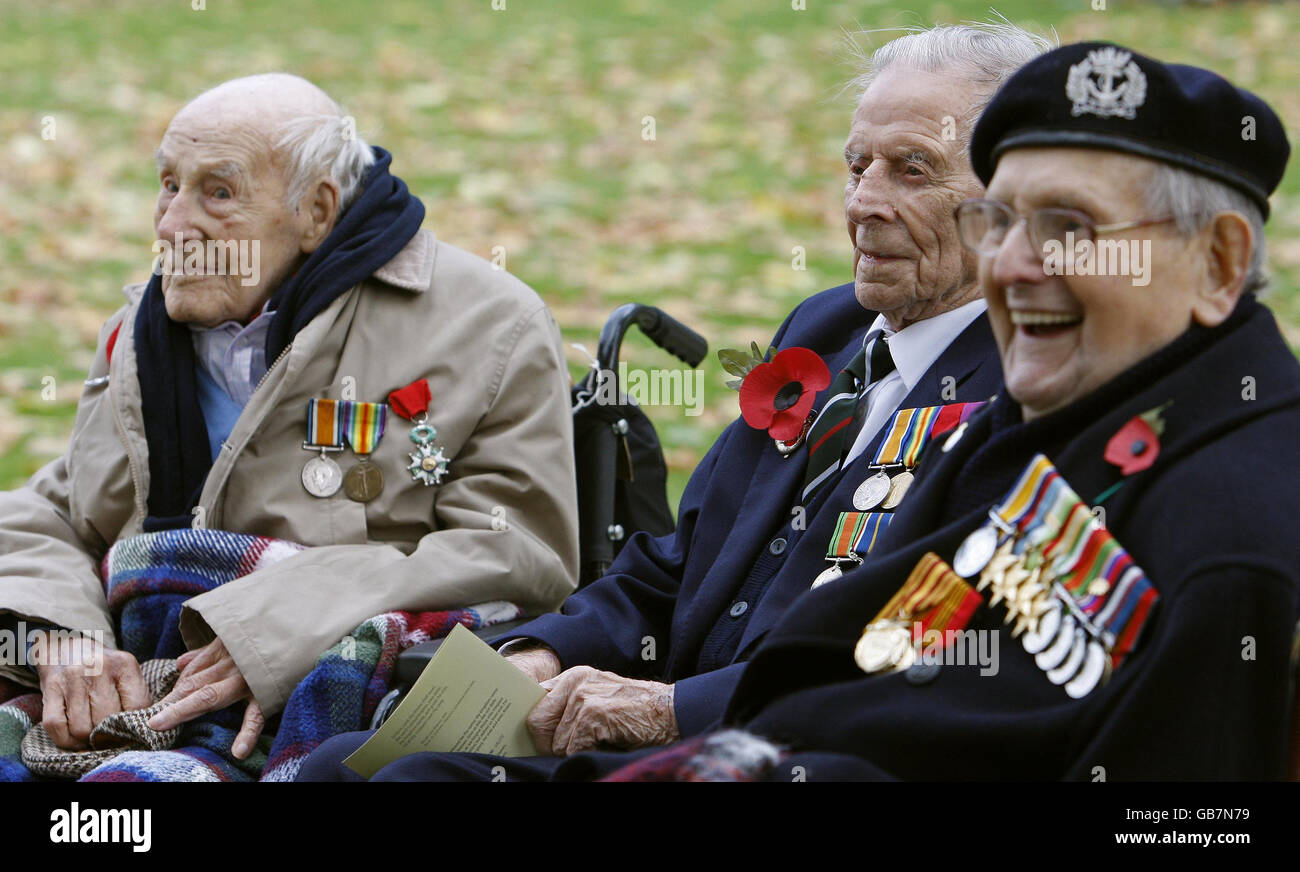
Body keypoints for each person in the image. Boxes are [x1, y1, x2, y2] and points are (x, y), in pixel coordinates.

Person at [298, 20, 1052, 781]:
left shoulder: (1025, 391)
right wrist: (547, 649)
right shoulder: (828, 330)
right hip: (655, 719)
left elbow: (914, 660)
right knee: (339, 767)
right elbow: (677, 563)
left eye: (913, 171)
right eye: (857, 167)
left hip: (789, 756)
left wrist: (669, 710)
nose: (864, 203)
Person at [0, 74, 578, 765]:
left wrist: (277, 625)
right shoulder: (139, 334)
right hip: (144, 694)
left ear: (316, 211)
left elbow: (519, 555)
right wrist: (67, 635)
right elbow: (61, 511)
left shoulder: (491, 326)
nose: (172, 225)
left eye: (218, 192)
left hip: (341, 709)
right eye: (168, 185)